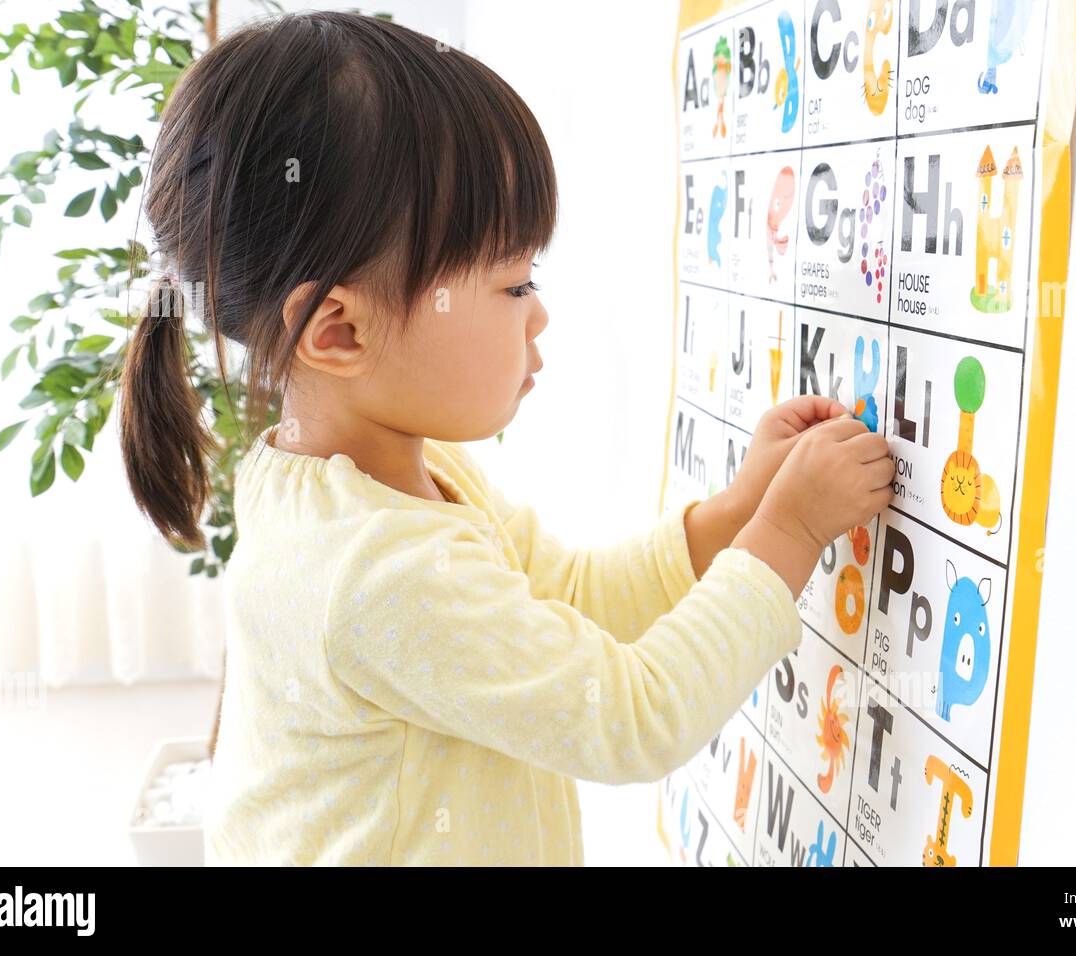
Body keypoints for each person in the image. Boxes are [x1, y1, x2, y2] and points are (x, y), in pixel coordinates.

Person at [118, 11, 893, 865]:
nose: (540, 312)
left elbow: (567, 599)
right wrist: (786, 535)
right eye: (514, 282)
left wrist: (741, 513)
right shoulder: (378, 570)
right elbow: (632, 719)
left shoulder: (391, 474)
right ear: (339, 331)